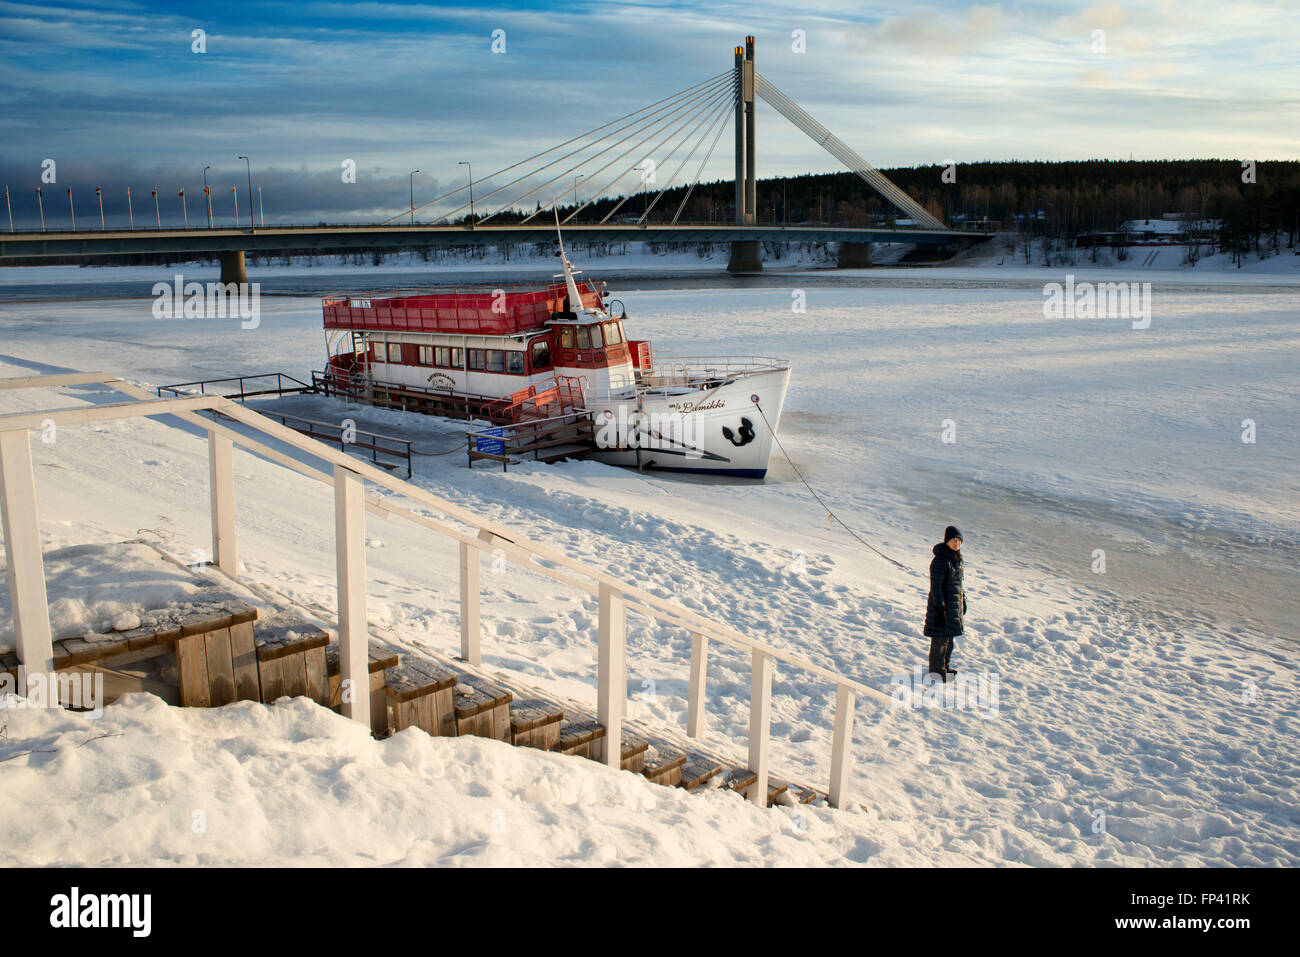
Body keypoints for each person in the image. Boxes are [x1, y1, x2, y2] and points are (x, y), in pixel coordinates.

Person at [924, 525, 967, 682]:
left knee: (949, 641)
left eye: (958, 541)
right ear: (946, 541)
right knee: (939, 642)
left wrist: (962, 601)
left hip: (953, 607)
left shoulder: (956, 560)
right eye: (953, 540)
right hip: (941, 607)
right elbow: (936, 587)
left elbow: (958, 585)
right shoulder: (940, 561)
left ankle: (944, 668)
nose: (956, 544)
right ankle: (936, 672)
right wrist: (940, 607)